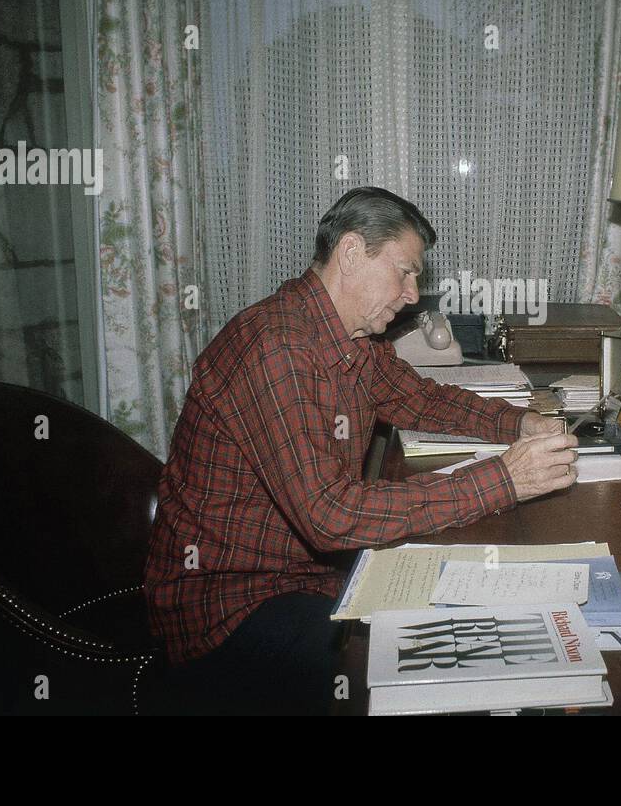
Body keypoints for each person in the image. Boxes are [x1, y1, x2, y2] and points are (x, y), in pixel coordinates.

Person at [144, 186, 578, 714]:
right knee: (403, 667)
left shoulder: (348, 338)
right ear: (351, 253)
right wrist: (503, 480)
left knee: (452, 624)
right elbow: (330, 516)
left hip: (303, 574)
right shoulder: (276, 347)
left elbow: (422, 401)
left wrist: (521, 422)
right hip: (230, 603)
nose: (415, 294)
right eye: (406, 271)